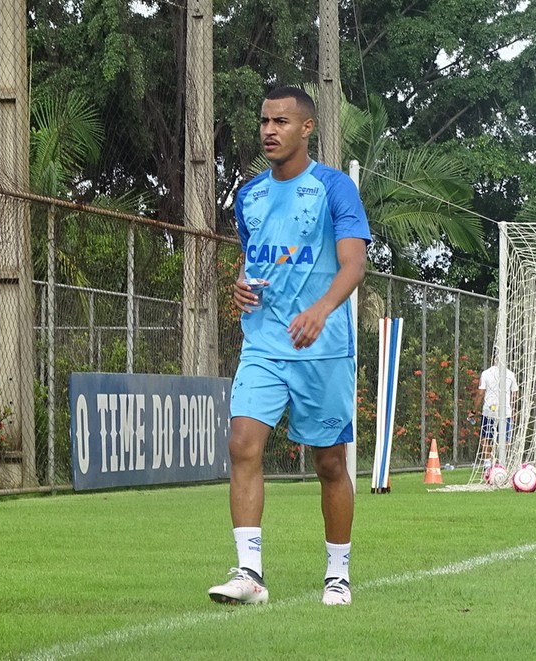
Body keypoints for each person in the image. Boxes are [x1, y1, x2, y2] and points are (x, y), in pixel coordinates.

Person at [208, 86, 371, 607]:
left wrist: (321, 310)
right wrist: (239, 282)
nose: (269, 131)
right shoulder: (249, 196)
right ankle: (249, 574)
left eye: (280, 121)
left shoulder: (335, 188)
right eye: (263, 121)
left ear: (307, 128)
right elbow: (256, 260)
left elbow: (354, 264)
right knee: (242, 445)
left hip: (323, 348)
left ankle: (338, 574)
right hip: (264, 343)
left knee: (328, 464)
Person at [475, 356, 519, 467]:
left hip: (490, 411)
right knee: (504, 440)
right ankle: (502, 464)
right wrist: (514, 410)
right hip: (505, 411)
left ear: (494, 360)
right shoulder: (510, 374)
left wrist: (474, 410)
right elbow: (515, 394)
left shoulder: (486, 373)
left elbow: (480, 393)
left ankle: (487, 465)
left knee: (486, 439)